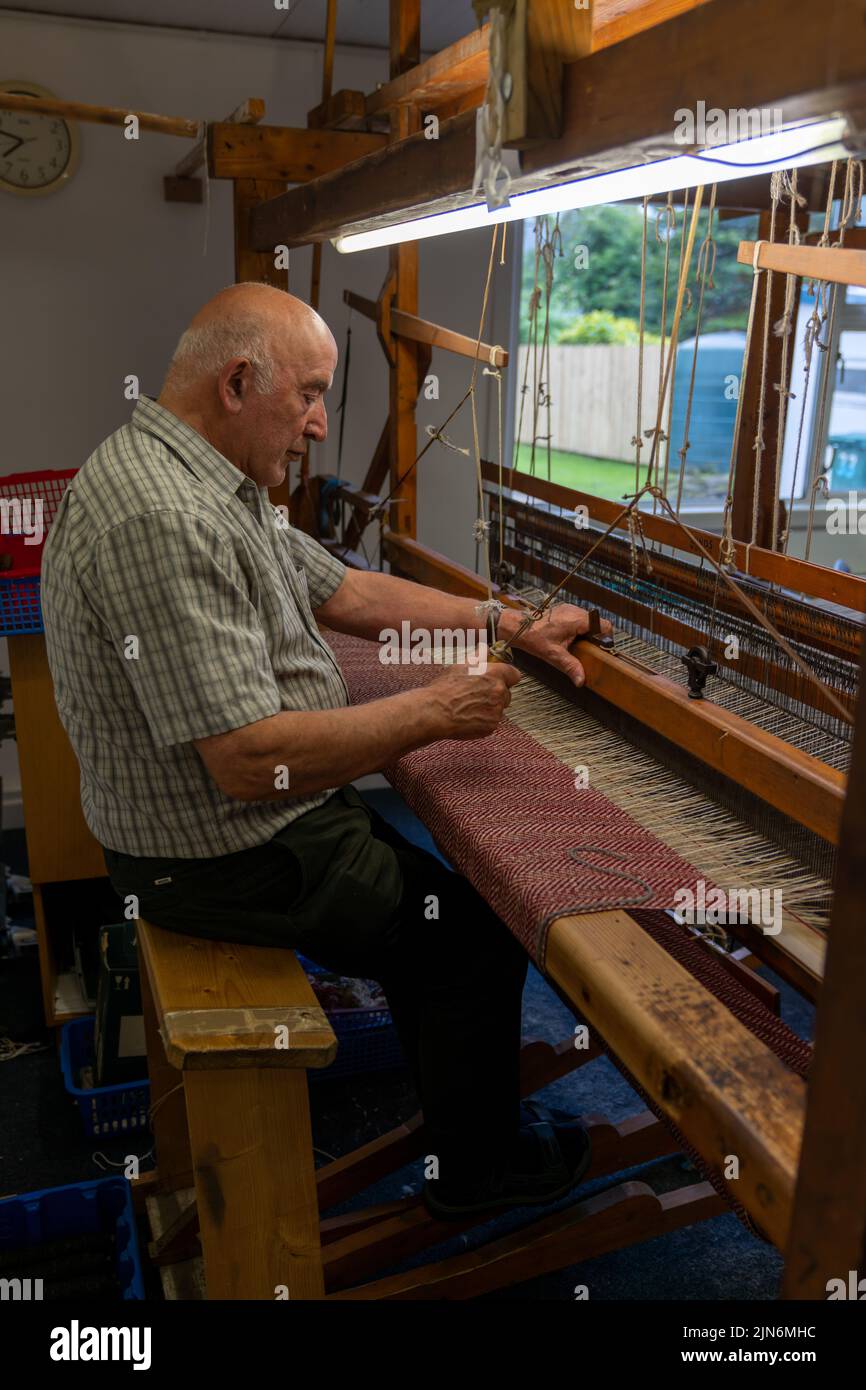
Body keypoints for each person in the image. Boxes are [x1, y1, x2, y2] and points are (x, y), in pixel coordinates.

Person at [42, 282, 604, 1218]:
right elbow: (249, 760)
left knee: (439, 913)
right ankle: (479, 1178)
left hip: (258, 822)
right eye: (307, 396)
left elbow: (343, 593)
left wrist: (506, 620)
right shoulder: (161, 516)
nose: (314, 427)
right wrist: (434, 712)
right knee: (471, 940)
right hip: (216, 852)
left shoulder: (205, 477)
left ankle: (461, 1123)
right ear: (236, 382)